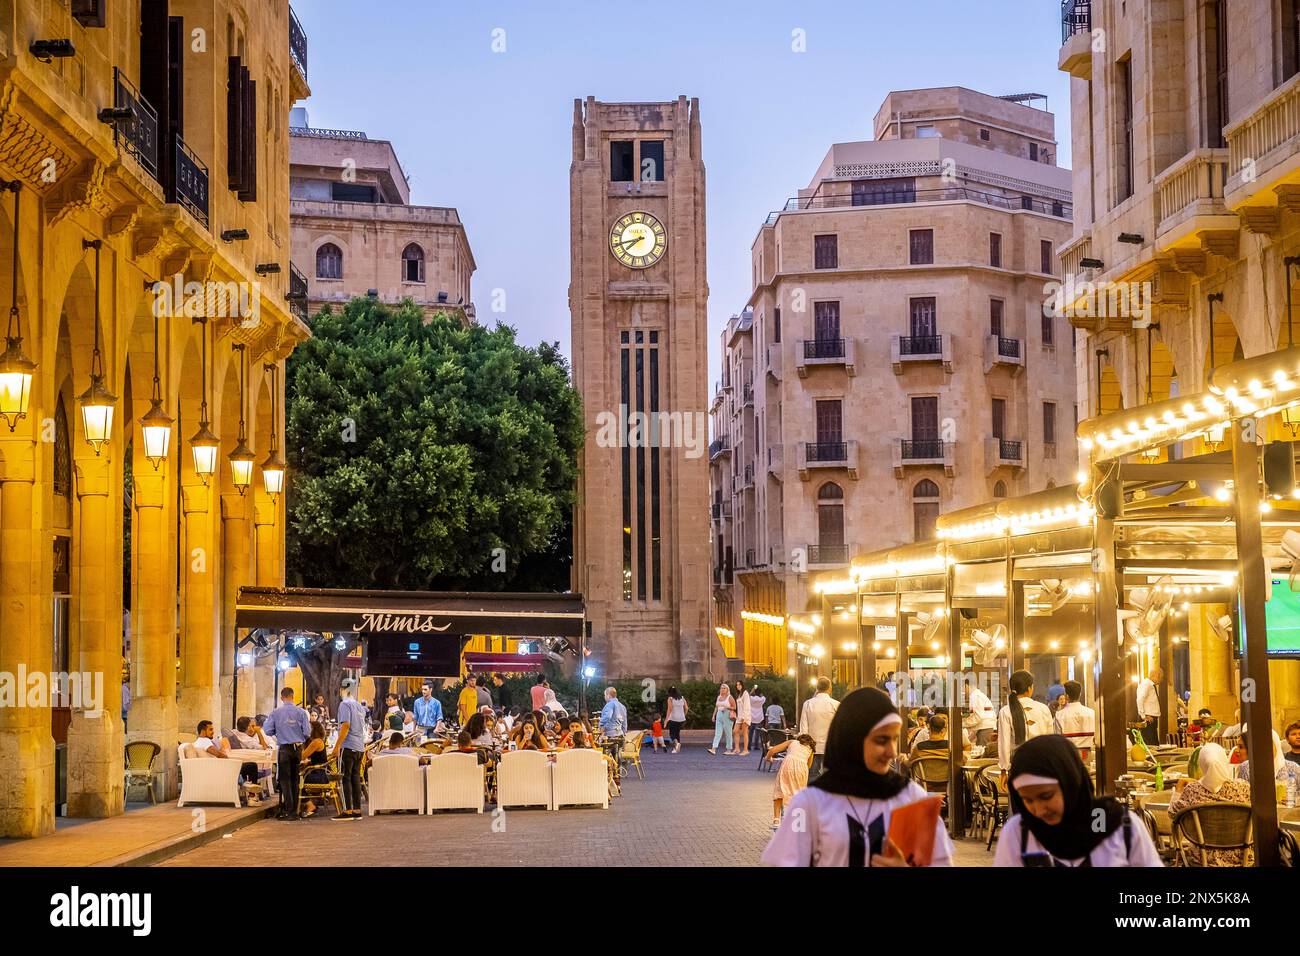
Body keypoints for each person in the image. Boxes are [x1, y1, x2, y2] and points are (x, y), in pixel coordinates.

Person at [762, 687, 954, 867]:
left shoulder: (912, 799)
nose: (892, 751)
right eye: (881, 740)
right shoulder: (809, 803)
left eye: (894, 739)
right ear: (852, 739)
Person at [994, 735, 1162, 867]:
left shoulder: (1114, 826)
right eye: (1027, 800)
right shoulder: (1019, 832)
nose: (1038, 810)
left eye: (1046, 796)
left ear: (1070, 784)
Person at [1168, 742, 1253, 865]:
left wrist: (1178, 790)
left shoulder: (1192, 791)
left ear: (1202, 764)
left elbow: (1171, 813)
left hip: (1204, 858)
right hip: (1242, 857)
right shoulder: (1243, 788)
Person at [262, 688, 311, 820]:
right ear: (292, 696)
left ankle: (290, 811)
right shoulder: (301, 712)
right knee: (295, 779)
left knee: (284, 780)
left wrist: (280, 731)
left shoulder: (276, 712)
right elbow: (307, 732)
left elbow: (267, 731)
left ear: (282, 697)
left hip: (284, 748)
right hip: (297, 749)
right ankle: (296, 808)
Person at [997, 670, 1054, 771]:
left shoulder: (1005, 711)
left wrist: (1004, 769)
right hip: (1043, 766)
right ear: (1029, 688)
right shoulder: (1044, 709)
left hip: (1018, 766)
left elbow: (1004, 744)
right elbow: (1050, 741)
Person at [331, 678, 368, 821]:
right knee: (355, 778)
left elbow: (345, 725)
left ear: (344, 689)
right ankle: (357, 810)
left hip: (348, 745)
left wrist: (337, 746)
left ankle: (347, 811)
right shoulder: (359, 706)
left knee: (345, 778)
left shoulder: (344, 704)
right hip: (359, 746)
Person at [767, 733, 816, 829]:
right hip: (802, 770)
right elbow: (808, 765)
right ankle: (798, 824)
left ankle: (776, 820)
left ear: (799, 739)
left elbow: (772, 750)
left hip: (787, 766)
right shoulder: (810, 749)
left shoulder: (792, 742)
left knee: (779, 791)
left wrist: (768, 758)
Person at [1236, 727, 1300, 797]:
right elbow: (1242, 795)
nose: (1266, 748)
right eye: (1261, 745)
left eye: (1270, 744)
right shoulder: (1246, 767)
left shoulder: (1293, 767)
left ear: (1277, 745)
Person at [798, 676, 840, 778]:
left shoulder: (808, 704)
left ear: (817, 688)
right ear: (830, 688)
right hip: (830, 747)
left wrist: (804, 746)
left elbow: (803, 729)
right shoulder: (836, 704)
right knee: (830, 778)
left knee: (812, 776)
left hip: (812, 747)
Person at [1053, 680, 1096, 760]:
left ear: (1067, 696)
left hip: (1068, 755)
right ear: (1080, 694)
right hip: (1088, 755)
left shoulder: (1059, 715)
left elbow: (1058, 740)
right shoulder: (1091, 713)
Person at [299, 721, 329, 817]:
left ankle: (309, 804)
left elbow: (302, 756)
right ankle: (302, 804)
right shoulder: (320, 741)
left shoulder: (316, 742)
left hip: (319, 776)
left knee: (294, 779)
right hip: (322, 774)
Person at [1135, 667, 1162, 747]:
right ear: (1156, 675)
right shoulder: (1147, 684)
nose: (1161, 680)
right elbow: (1140, 699)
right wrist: (1143, 716)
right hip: (1148, 719)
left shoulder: (1150, 685)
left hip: (1151, 719)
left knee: (1154, 744)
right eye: (1161, 677)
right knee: (1151, 745)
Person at [963, 683, 996, 748]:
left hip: (984, 728)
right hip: (984, 727)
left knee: (982, 752)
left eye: (962, 687)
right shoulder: (977, 695)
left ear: (967, 686)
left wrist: (963, 723)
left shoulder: (975, 696)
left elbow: (978, 716)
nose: (963, 691)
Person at [707, 683, 735, 756]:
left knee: (728, 732)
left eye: (724, 688)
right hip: (719, 714)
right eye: (721, 688)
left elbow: (734, 707)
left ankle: (729, 749)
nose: (722, 689)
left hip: (727, 714)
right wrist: (713, 716)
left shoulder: (730, 697)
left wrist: (727, 708)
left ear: (727, 689)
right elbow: (716, 707)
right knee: (718, 732)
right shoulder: (719, 697)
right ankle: (714, 749)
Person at [664, 686, 688, 753]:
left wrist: (666, 720)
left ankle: (676, 744)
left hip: (673, 718)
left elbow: (670, 709)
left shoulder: (670, 698)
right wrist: (683, 715)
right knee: (677, 733)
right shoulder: (682, 698)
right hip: (681, 719)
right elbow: (686, 708)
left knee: (672, 734)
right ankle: (676, 748)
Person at [734, 682, 752, 757]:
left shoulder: (745, 693)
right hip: (739, 716)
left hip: (745, 716)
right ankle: (737, 749)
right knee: (735, 731)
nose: (738, 686)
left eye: (739, 684)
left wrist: (745, 717)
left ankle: (745, 750)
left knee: (745, 733)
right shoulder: (739, 694)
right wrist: (738, 716)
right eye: (737, 685)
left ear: (742, 685)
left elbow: (747, 706)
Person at [749, 685, 767, 751]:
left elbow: (749, 695)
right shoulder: (762, 699)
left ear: (755, 693)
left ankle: (748, 746)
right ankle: (756, 746)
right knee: (757, 733)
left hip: (752, 717)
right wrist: (761, 694)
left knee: (750, 732)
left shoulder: (751, 698)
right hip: (759, 718)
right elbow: (763, 697)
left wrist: (753, 689)